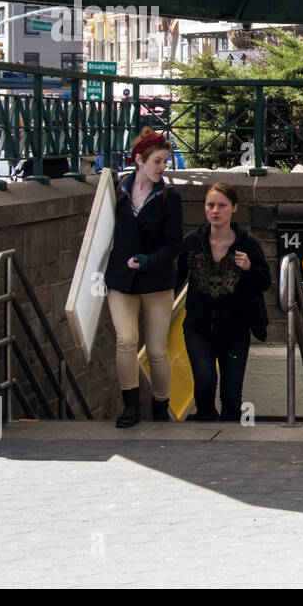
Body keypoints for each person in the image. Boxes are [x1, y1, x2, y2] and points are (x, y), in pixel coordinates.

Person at [105, 127, 183, 428]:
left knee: (156, 349)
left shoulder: (168, 196)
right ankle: (130, 406)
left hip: (156, 280)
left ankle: (160, 406)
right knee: (125, 341)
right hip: (122, 279)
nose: (162, 168)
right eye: (157, 162)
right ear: (140, 160)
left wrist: (149, 261)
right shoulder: (117, 188)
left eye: (165, 162)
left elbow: (174, 244)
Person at [176, 183, 271, 422]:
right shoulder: (192, 242)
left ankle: (230, 446)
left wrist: (249, 267)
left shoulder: (247, 244)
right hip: (198, 327)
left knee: (231, 396)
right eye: (210, 205)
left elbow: (265, 281)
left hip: (235, 329)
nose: (215, 211)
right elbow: (175, 279)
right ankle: (206, 429)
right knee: (205, 381)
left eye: (221, 205)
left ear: (234, 208)